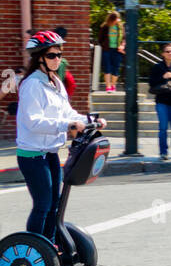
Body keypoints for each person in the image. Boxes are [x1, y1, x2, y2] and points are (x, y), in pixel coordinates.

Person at [15, 31, 104, 246]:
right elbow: (33, 122)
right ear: (40, 58)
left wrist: (91, 119)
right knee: (43, 204)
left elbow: (68, 114)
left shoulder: (56, 83)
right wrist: (67, 126)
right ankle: (34, 249)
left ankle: (51, 247)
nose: (58, 59)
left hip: (51, 153)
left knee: (55, 204)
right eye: (53, 55)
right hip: (32, 155)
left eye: (59, 54)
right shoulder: (32, 86)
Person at [98, 10, 124, 92]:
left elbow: (124, 38)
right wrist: (104, 45)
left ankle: (113, 85)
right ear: (111, 19)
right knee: (107, 68)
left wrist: (122, 45)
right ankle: (108, 86)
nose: (117, 20)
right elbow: (100, 39)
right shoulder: (105, 27)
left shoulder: (120, 27)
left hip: (117, 50)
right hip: (107, 50)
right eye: (116, 19)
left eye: (118, 19)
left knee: (116, 68)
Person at [51, 25, 76, 99]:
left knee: (70, 83)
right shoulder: (56, 41)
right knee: (66, 83)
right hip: (57, 66)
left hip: (58, 65)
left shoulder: (54, 40)